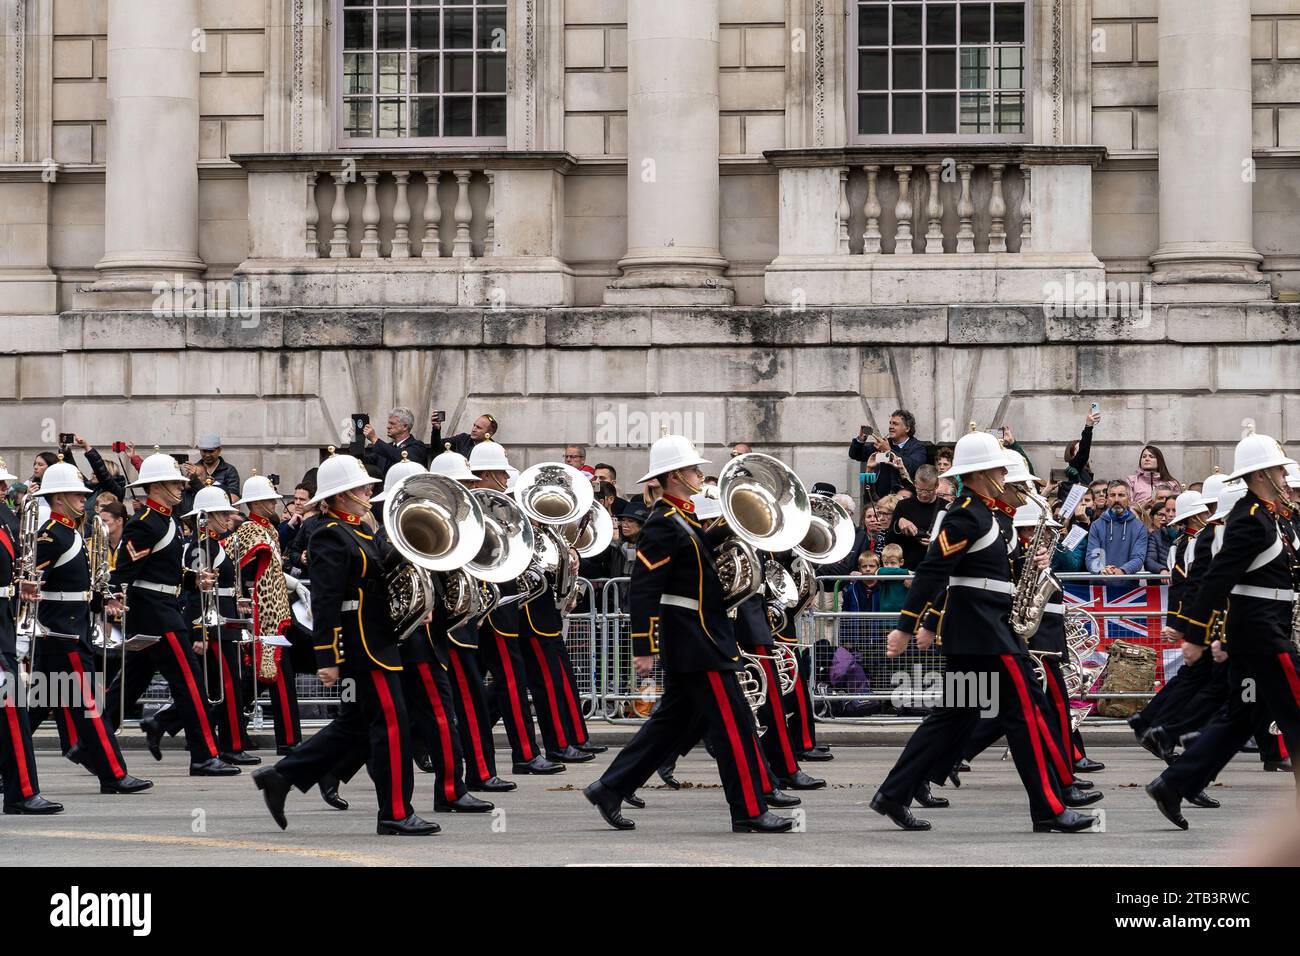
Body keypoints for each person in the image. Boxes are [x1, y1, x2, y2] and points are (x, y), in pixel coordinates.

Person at [869, 430, 1095, 834]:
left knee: (953, 717)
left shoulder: (988, 515)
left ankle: (892, 794)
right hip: (985, 633)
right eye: (995, 468)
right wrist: (907, 625)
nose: (1001, 475)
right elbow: (933, 570)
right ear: (977, 474)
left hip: (984, 630)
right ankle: (1048, 807)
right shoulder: (964, 514)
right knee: (1024, 711)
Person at [583, 434, 792, 833]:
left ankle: (610, 788)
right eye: (695, 468)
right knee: (734, 726)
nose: (701, 473)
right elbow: (644, 586)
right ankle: (749, 810)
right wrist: (643, 646)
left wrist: (731, 525)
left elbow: (696, 552)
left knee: (669, 726)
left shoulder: (683, 516)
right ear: (677, 474)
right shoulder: (662, 522)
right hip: (696, 642)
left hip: (699, 639)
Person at [252, 451, 437, 836]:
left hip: (379, 638)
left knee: (354, 725)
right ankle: (395, 813)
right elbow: (325, 600)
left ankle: (282, 776)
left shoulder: (362, 529)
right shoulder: (328, 535)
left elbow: (383, 572)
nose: (368, 488)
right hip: (361, 646)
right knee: (392, 725)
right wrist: (328, 656)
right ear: (338, 496)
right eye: (358, 486)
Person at [1146, 433, 1300, 829]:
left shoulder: (1266, 517)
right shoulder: (1250, 520)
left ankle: (1174, 784)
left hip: (1260, 629)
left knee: (1241, 716)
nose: (1286, 475)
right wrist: (1195, 636)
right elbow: (1217, 580)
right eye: (1280, 468)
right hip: (1262, 634)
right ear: (1263, 473)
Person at [105, 451, 237, 777]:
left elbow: (166, 571)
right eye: (174, 482)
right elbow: (125, 571)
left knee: (132, 683)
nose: (180, 487)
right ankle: (204, 756)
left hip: (161, 609)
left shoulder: (166, 521)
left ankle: (90, 742)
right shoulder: (146, 523)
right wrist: (110, 601)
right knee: (189, 682)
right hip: (155, 614)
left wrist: (194, 579)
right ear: (157, 485)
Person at [0, 457, 65, 814]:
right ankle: (22, 793)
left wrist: (15, 585)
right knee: (11, 709)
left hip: (5, 622)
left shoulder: (6, 520)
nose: (4, 492)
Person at [229, 473, 304, 756]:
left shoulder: (268, 529)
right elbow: (243, 571)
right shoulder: (251, 530)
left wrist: (293, 583)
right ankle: (288, 739)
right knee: (273, 672)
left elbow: (271, 569)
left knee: (265, 674)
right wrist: (244, 600)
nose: (276, 502)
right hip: (263, 611)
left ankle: (285, 737)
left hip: (275, 610)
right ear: (258, 503)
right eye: (271, 498)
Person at [848, 410, 927, 499]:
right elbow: (855, 454)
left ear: (907, 428)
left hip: (903, 501)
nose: (891, 427)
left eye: (895, 424)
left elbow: (912, 466)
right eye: (890, 423)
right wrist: (861, 439)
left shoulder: (917, 447)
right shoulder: (883, 443)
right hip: (878, 500)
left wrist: (889, 451)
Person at [885, 464, 943, 570]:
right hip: (908, 568)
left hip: (936, 568)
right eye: (920, 490)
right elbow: (889, 542)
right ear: (915, 483)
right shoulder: (903, 505)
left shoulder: (946, 507)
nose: (924, 495)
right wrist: (898, 524)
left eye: (929, 491)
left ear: (936, 485)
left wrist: (935, 541)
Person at [1085, 480, 1148, 575]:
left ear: (1129, 498)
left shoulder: (1139, 527)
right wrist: (1101, 571)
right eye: (1112, 495)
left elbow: (1138, 558)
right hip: (1100, 585)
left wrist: (1122, 571)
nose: (1117, 500)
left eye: (1121, 495)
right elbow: (1092, 555)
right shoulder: (1096, 525)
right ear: (1107, 499)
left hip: (1129, 586)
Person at [1058, 410, 1101, 503]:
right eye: (1079, 449)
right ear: (1072, 454)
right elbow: (1083, 453)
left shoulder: (1084, 471)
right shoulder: (1073, 468)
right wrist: (1088, 426)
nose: (1083, 451)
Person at [432, 412, 498, 458]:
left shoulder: (494, 450)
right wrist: (436, 429)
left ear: (489, 434)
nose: (473, 429)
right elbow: (437, 447)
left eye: (479, 428)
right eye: (474, 425)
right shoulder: (462, 439)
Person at [875, 544, 910, 613]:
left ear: (901, 562)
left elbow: (917, 575)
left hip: (903, 614)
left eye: (893, 563)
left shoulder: (907, 576)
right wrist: (906, 572)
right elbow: (880, 571)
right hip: (886, 616)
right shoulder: (882, 573)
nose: (889, 566)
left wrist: (909, 576)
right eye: (886, 563)